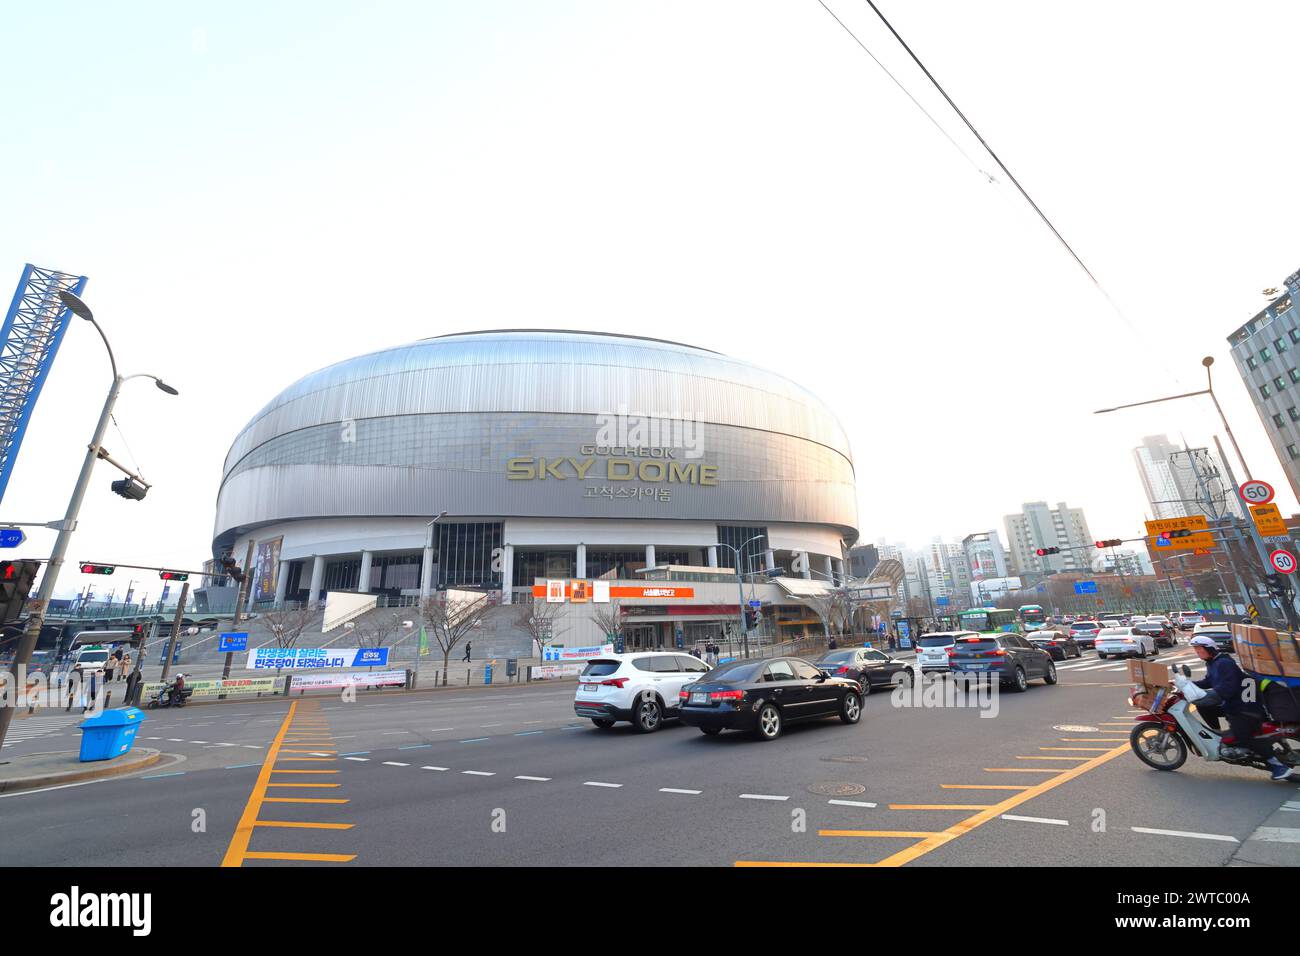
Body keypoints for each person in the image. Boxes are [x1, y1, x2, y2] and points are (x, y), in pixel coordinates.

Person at [1187, 635, 1293, 781]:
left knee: (1243, 738)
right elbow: (1209, 681)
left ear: (1209, 649)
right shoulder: (1212, 662)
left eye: (1199, 649)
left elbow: (1228, 689)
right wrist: (1188, 685)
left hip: (1245, 707)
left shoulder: (1224, 663)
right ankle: (1218, 736)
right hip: (1233, 704)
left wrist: (1211, 694)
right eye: (1196, 649)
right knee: (1203, 706)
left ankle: (1278, 766)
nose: (1197, 652)